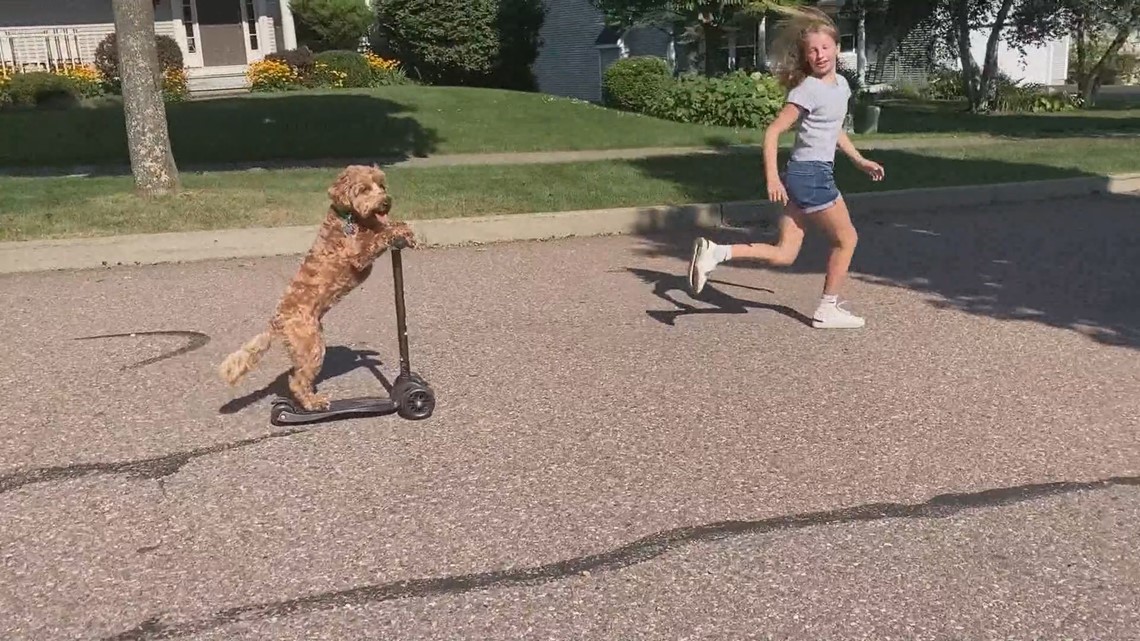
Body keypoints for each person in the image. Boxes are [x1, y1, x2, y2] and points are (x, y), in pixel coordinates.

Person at [687, 7, 884, 329]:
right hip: (810, 176)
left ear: (837, 46)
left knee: (785, 254)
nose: (819, 55)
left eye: (824, 47)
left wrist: (858, 160)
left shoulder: (842, 87)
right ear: (805, 57)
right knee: (846, 239)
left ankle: (716, 253)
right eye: (812, 51)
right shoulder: (806, 89)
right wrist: (772, 176)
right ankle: (827, 309)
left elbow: (833, 129)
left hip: (807, 175)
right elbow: (773, 132)